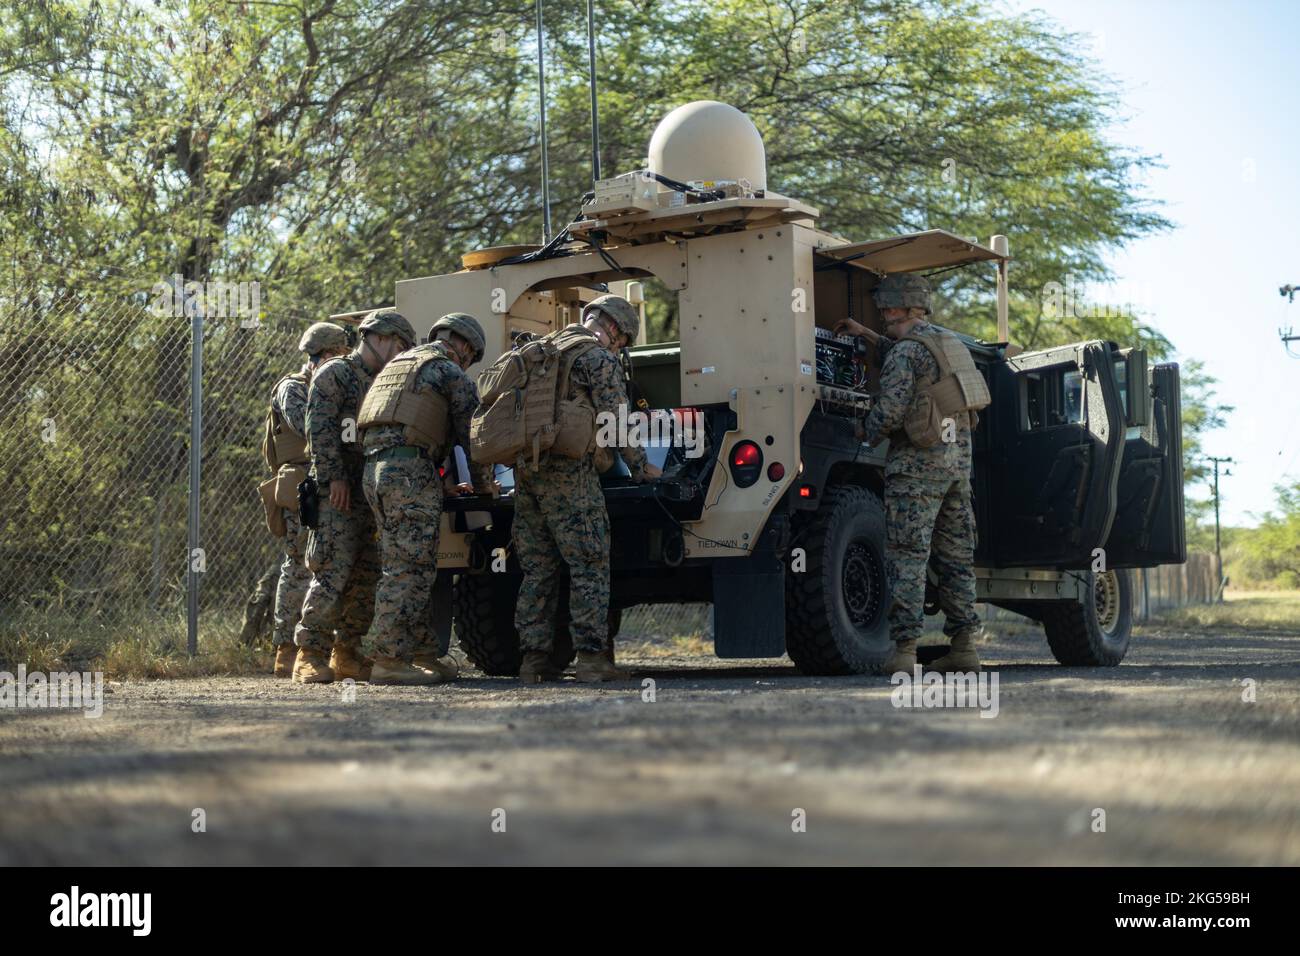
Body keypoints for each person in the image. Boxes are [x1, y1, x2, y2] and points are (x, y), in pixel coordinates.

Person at [836, 274, 983, 674]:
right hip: (957, 470)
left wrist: (864, 430)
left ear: (901, 306)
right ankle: (965, 648)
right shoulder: (950, 344)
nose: (883, 313)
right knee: (955, 559)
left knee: (907, 559)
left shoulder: (905, 354)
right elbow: (917, 363)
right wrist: (865, 334)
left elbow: (890, 411)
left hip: (916, 474)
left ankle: (904, 653)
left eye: (886, 308)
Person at [513, 294, 662, 683]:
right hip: (569, 471)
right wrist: (642, 466)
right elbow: (616, 419)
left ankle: (533, 662)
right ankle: (592, 660)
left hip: (527, 471)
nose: (620, 347)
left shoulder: (541, 350)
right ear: (615, 329)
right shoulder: (597, 358)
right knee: (590, 562)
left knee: (538, 569)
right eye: (623, 341)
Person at [358, 313, 494, 685]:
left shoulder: (399, 366)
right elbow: (473, 439)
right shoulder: (449, 372)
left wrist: (438, 484)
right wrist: (486, 490)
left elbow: (401, 427)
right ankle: (388, 659)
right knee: (410, 568)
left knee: (405, 560)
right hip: (408, 475)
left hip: (375, 473)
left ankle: (420, 651)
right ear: (464, 346)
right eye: (471, 355)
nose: (467, 362)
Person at [292, 309, 416, 683]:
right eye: (396, 345)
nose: (398, 354)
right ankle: (308, 652)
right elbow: (320, 429)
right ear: (377, 338)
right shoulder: (336, 373)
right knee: (332, 570)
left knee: (367, 574)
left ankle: (348, 652)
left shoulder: (382, 380)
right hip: (337, 493)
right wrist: (333, 479)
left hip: (370, 491)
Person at [261, 321, 351, 677]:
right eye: (338, 356)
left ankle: (325, 648)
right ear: (327, 354)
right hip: (301, 483)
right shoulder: (293, 388)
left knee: (323, 564)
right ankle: (286, 648)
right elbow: (309, 426)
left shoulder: (321, 387)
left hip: (323, 480)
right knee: (299, 564)